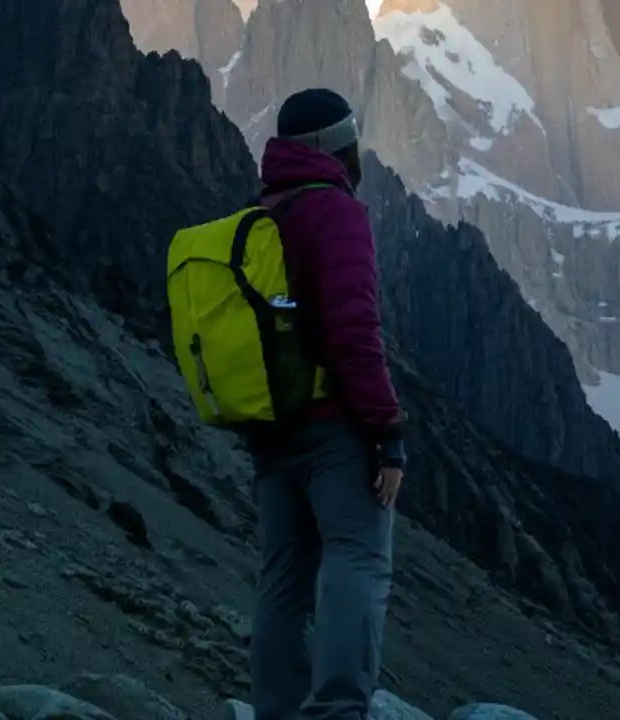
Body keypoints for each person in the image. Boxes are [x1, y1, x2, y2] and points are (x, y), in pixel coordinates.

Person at [229, 88, 406, 720]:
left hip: (271, 429)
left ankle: (275, 713)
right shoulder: (336, 212)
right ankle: (337, 712)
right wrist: (388, 431)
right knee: (356, 561)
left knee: (282, 579)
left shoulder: (262, 210)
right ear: (338, 145)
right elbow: (355, 331)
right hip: (334, 430)